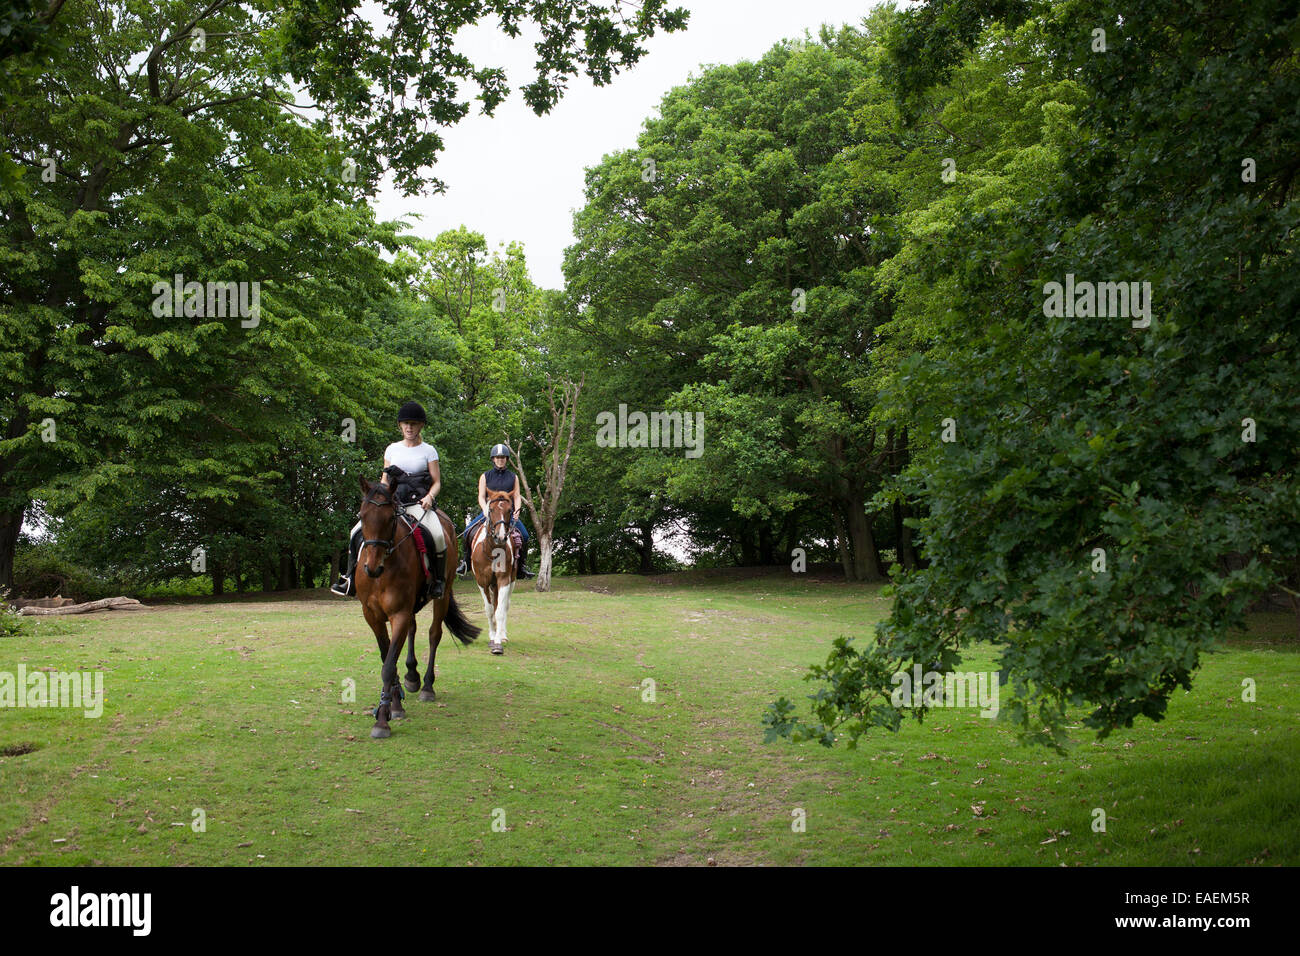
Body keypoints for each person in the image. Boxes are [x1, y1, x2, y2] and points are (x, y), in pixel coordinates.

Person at [331, 401, 448, 598]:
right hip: (393, 502)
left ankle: (438, 581)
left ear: (421, 426)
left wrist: (430, 497)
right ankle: (350, 579)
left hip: (419, 503)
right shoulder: (392, 449)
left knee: (437, 535)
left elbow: (436, 482)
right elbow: (385, 481)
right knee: (355, 532)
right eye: (405, 423)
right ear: (400, 426)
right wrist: (379, 499)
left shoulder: (429, 450)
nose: (409, 427)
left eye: (413, 423)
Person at [460, 443, 533, 578]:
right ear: (493, 459)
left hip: (507, 514)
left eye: (503, 457)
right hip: (490, 513)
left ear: (506, 459)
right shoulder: (485, 476)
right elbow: (481, 497)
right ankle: (465, 563)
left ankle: (522, 566)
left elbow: (517, 497)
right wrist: (484, 510)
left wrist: (517, 511)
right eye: (498, 457)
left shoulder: (513, 477)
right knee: (467, 532)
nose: (500, 460)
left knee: (525, 535)